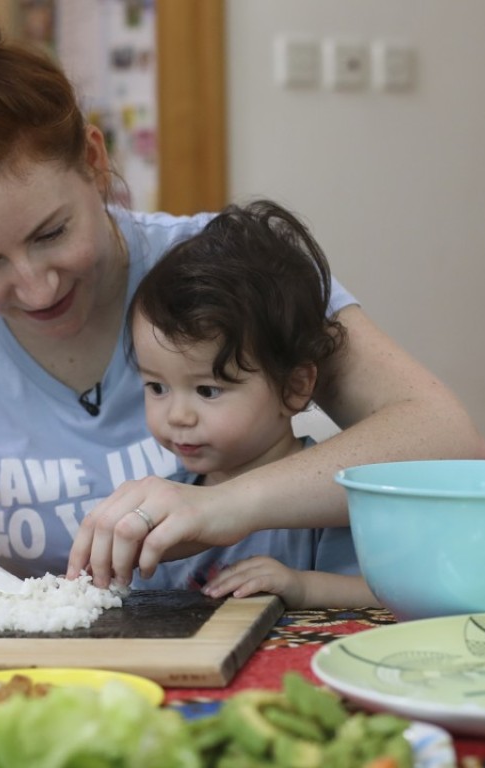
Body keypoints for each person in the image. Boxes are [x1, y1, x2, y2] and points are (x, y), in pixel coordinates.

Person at [0, 0, 485, 591]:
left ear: (93, 161)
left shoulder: (222, 262)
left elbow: (448, 442)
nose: (36, 286)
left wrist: (220, 506)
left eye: (52, 232)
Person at [125, 199, 378, 606]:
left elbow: (386, 595)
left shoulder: (328, 500)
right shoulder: (170, 503)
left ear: (295, 387)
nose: (177, 416)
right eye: (156, 387)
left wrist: (301, 586)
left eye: (207, 391)